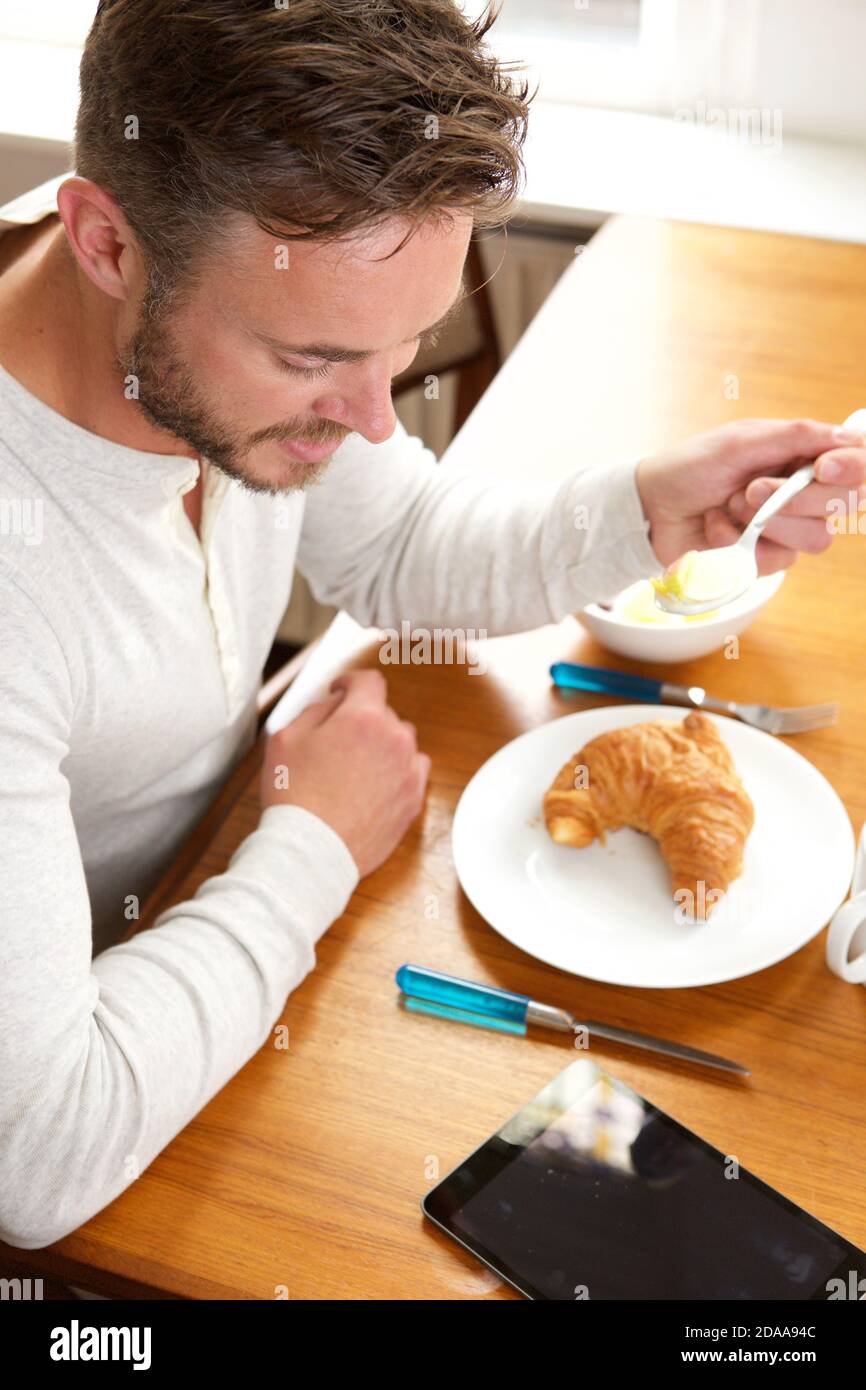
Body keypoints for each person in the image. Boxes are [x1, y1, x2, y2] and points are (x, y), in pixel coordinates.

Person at [1, 0, 863, 1251]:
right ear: (105, 243)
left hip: (220, 889)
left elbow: (395, 541)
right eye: (313, 360)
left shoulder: (222, 333)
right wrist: (310, 840)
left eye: (395, 353)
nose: (365, 419)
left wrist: (650, 510)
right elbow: (40, 1151)